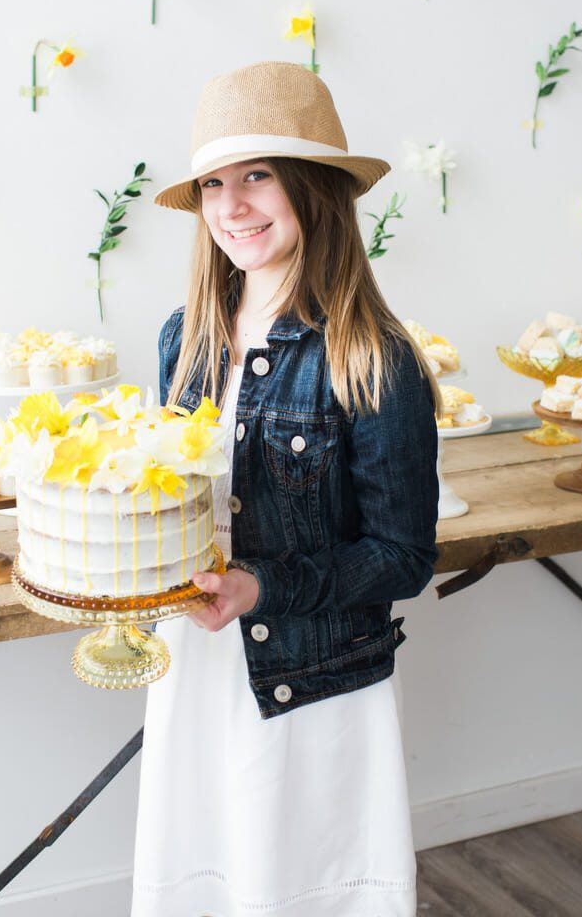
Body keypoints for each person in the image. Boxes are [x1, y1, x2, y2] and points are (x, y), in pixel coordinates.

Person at [131, 60, 440, 917]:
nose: (231, 207)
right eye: (214, 185)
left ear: (313, 188)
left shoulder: (372, 355)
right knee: (208, 876)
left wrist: (263, 585)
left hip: (311, 679)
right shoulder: (181, 339)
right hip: (197, 659)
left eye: (258, 176)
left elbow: (403, 556)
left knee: (297, 886)